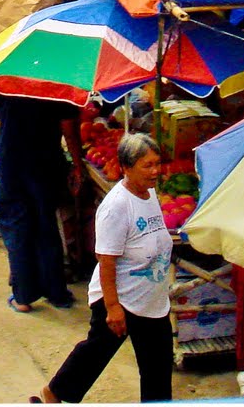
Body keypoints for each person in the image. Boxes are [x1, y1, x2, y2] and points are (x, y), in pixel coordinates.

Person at [36, 133, 173, 404]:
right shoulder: (117, 206)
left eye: (157, 163)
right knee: (96, 351)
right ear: (126, 167)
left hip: (151, 298)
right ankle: (54, 393)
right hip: (120, 297)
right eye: (147, 165)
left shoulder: (150, 194)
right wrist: (113, 307)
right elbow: (106, 259)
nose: (155, 171)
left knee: (158, 364)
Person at [0, 84, 81, 312]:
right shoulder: (59, 83)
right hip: (46, 166)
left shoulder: (5, 79)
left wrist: (0, 151)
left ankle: (23, 297)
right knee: (46, 226)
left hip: (12, 165)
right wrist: (77, 165)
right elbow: (68, 128)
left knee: (16, 226)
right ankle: (57, 294)